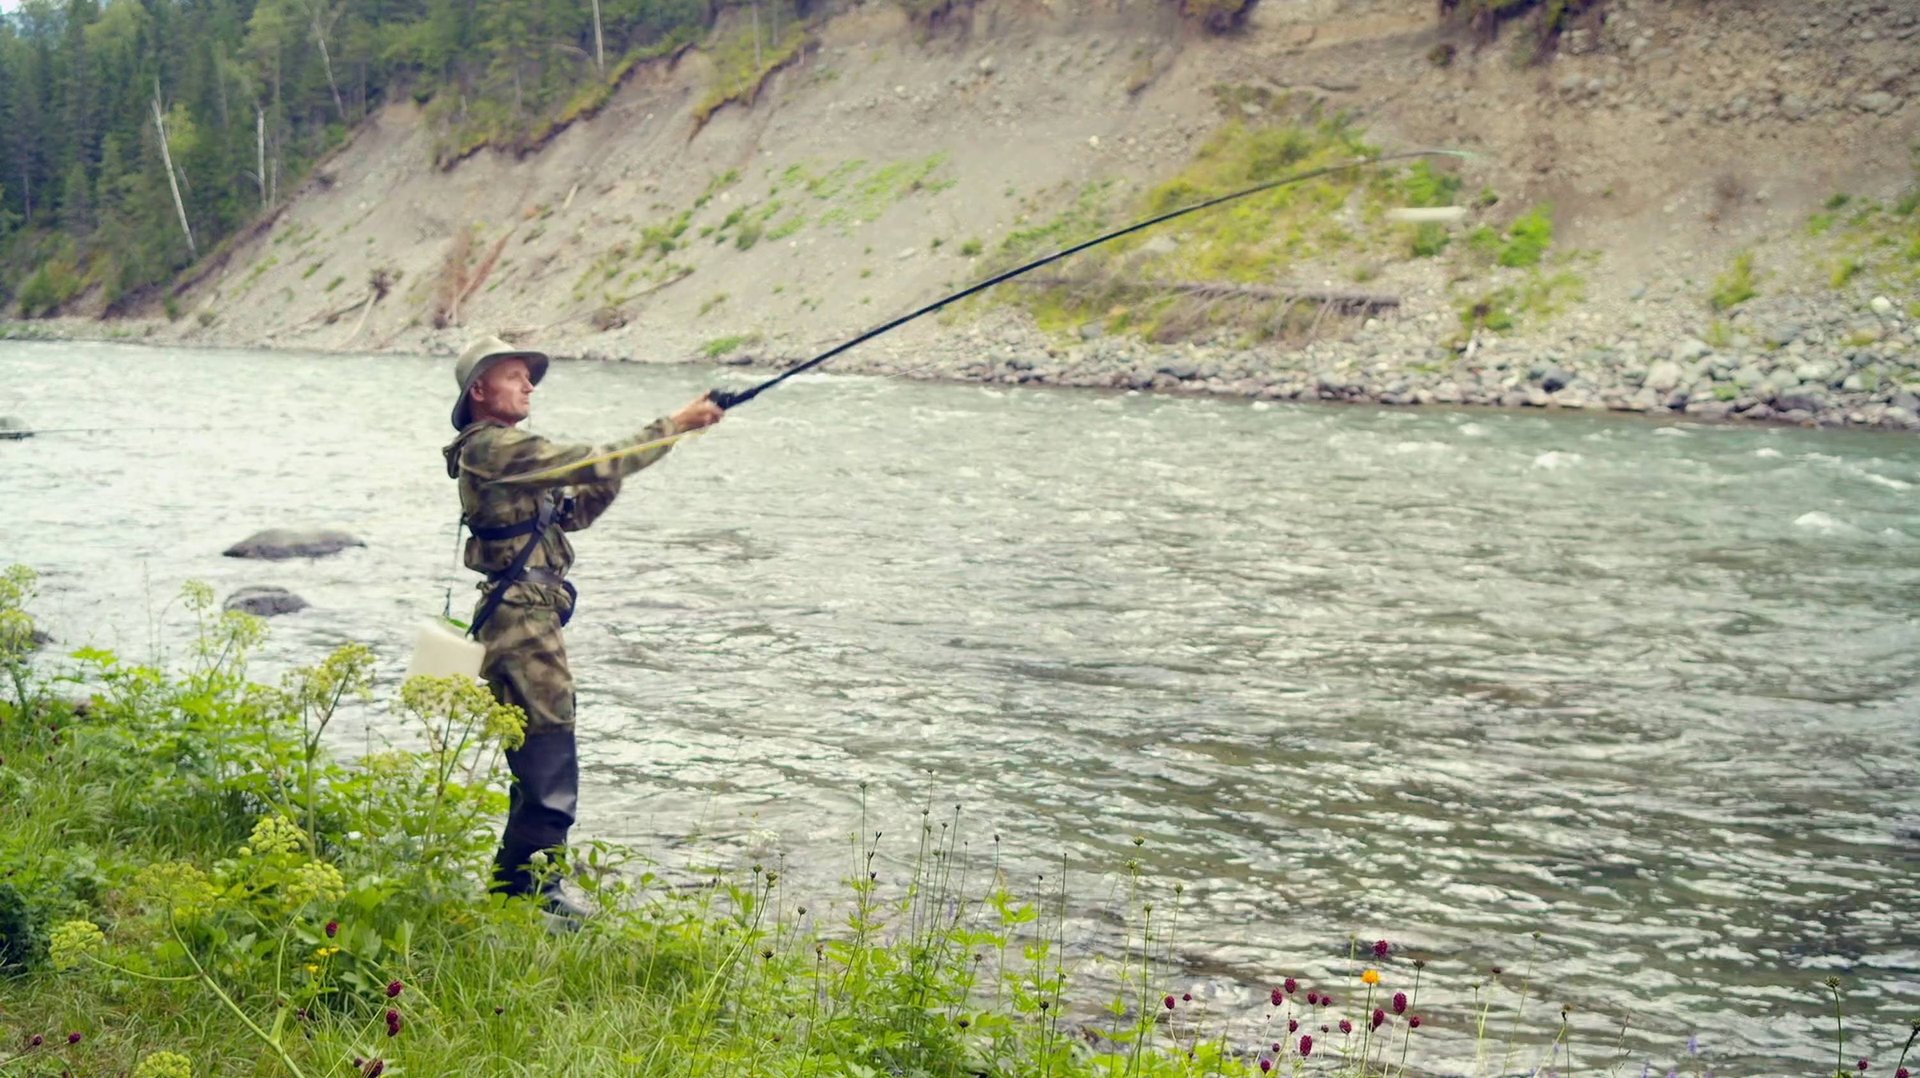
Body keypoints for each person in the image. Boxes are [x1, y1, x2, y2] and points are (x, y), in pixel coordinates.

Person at [441, 334, 724, 918]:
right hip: (520, 623)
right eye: (515, 375)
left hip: (526, 618)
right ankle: (533, 896)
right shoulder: (491, 447)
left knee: (540, 753)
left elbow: (574, 511)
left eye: (529, 376)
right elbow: (589, 460)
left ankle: (514, 891)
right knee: (549, 752)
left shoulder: (510, 459)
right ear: (479, 391)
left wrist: (617, 467)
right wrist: (674, 425)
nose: (529, 385)